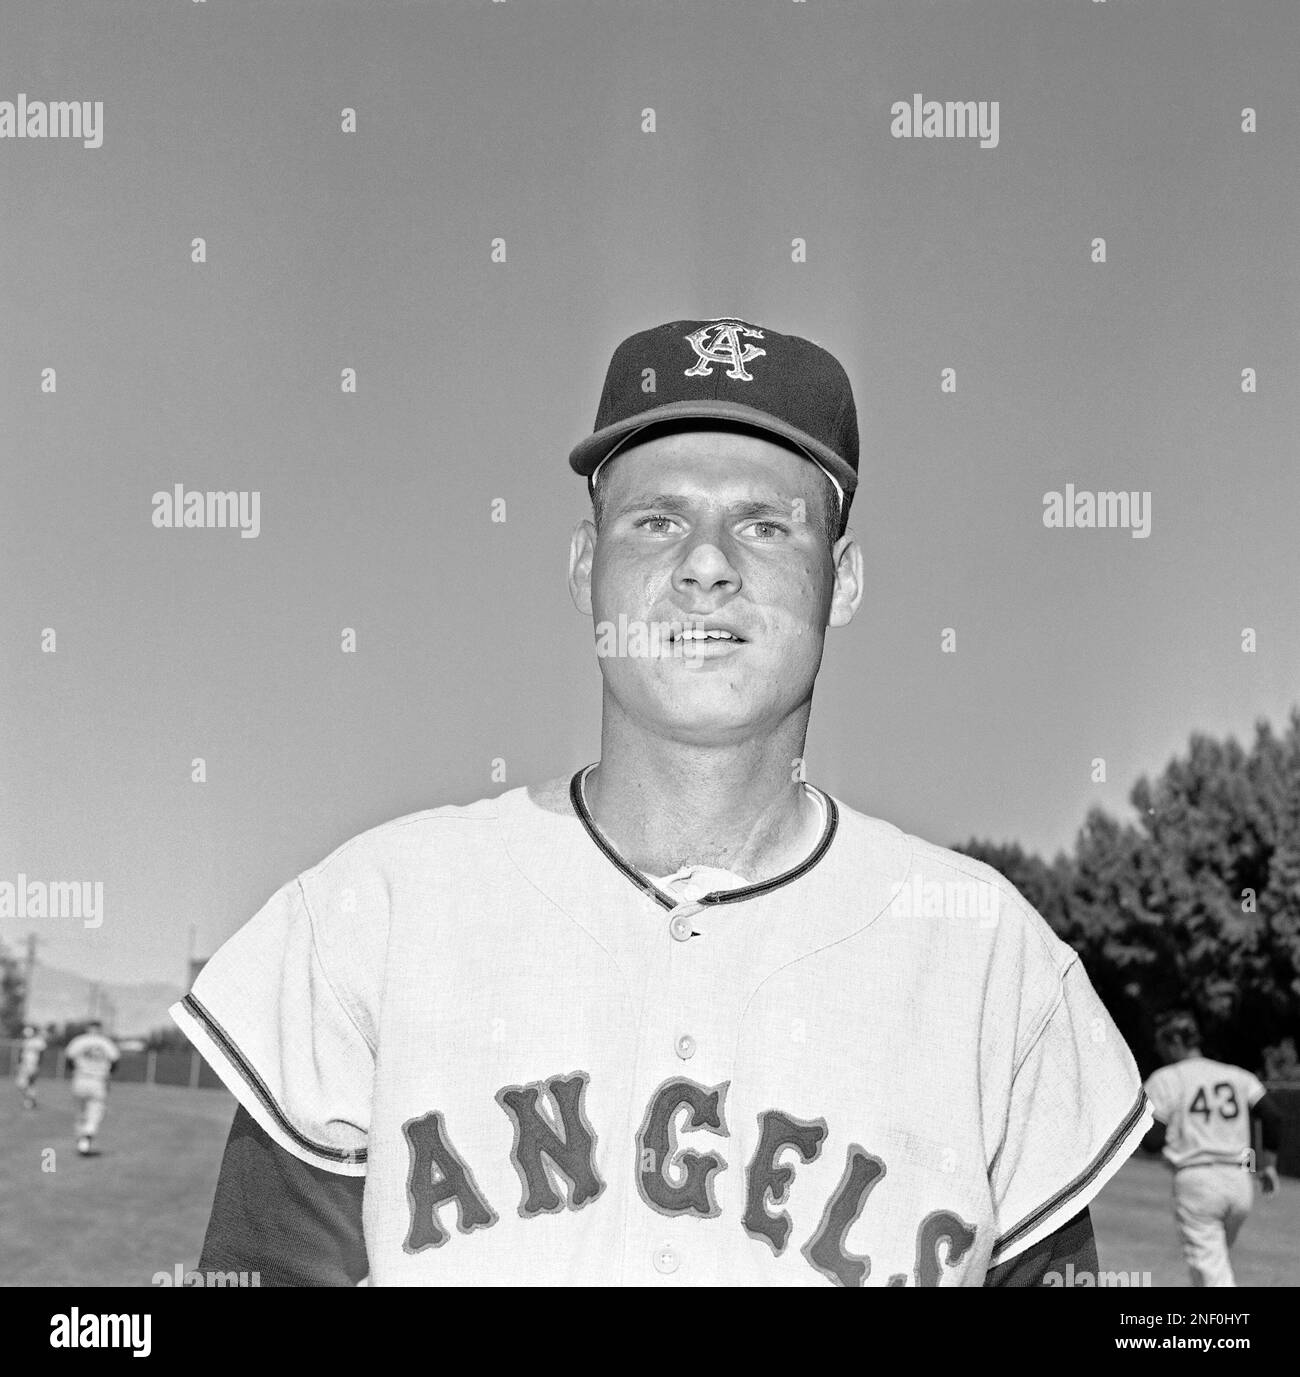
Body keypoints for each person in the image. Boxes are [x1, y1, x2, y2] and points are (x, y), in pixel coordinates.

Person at [174, 316, 1152, 1286]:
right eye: (658, 521)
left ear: (841, 581)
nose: (707, 563)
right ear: (583, 567)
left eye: (765, 526)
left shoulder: (986, 955)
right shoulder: (379, 908)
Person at [1142, 1012, 1282, 1286]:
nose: (1159, 1051)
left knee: (1213, 1275)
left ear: (1175, 1042)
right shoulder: (1236, 1075)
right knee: (1214, 1265)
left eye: (1161, 1044)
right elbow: (1272, 1116)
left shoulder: (1166, 1078)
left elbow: (1152, 1141)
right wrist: (1268, 1165)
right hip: (1241, 1180)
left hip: (1197, 1181)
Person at [64, 1019, 121, 1156]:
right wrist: (107, 1073)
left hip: (80, 1079)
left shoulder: (79, 1041)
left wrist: (76, 1070)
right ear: (99, 1029)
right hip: (98, 1081)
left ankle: (81, 1137)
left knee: (80, 1111)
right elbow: (115, 1060)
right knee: (95, 1111)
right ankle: (86, 1136)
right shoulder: (105, 1042)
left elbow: (69, 1058)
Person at [15, 1024, 47, 1110]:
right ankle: (30, 1100)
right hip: (24, 1065)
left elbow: (41, 1055)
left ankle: (29, 1102)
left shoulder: (39, 1041)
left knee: (31, 1083)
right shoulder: (25, 1041)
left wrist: (37, 1066)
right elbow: (21, 1054)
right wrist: (19, 1064)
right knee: (21, 1084)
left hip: (33, 1065)